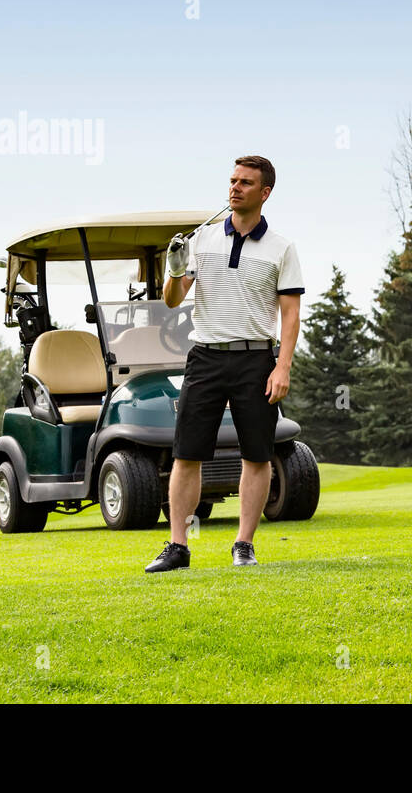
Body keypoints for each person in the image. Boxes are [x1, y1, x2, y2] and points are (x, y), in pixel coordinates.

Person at [144, 155, 304, 572]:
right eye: (232, 181)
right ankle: (178, 546)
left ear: (265, 192)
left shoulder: (282, 248)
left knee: (257, 454)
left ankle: (244, 545)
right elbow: (173, 298)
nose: (235, 188)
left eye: (246, 183)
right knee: (187, 453)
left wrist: (282, 366)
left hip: (256, 359)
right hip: (206, 358)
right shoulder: (202, 239)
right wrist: (175, 266)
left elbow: (290, 315)